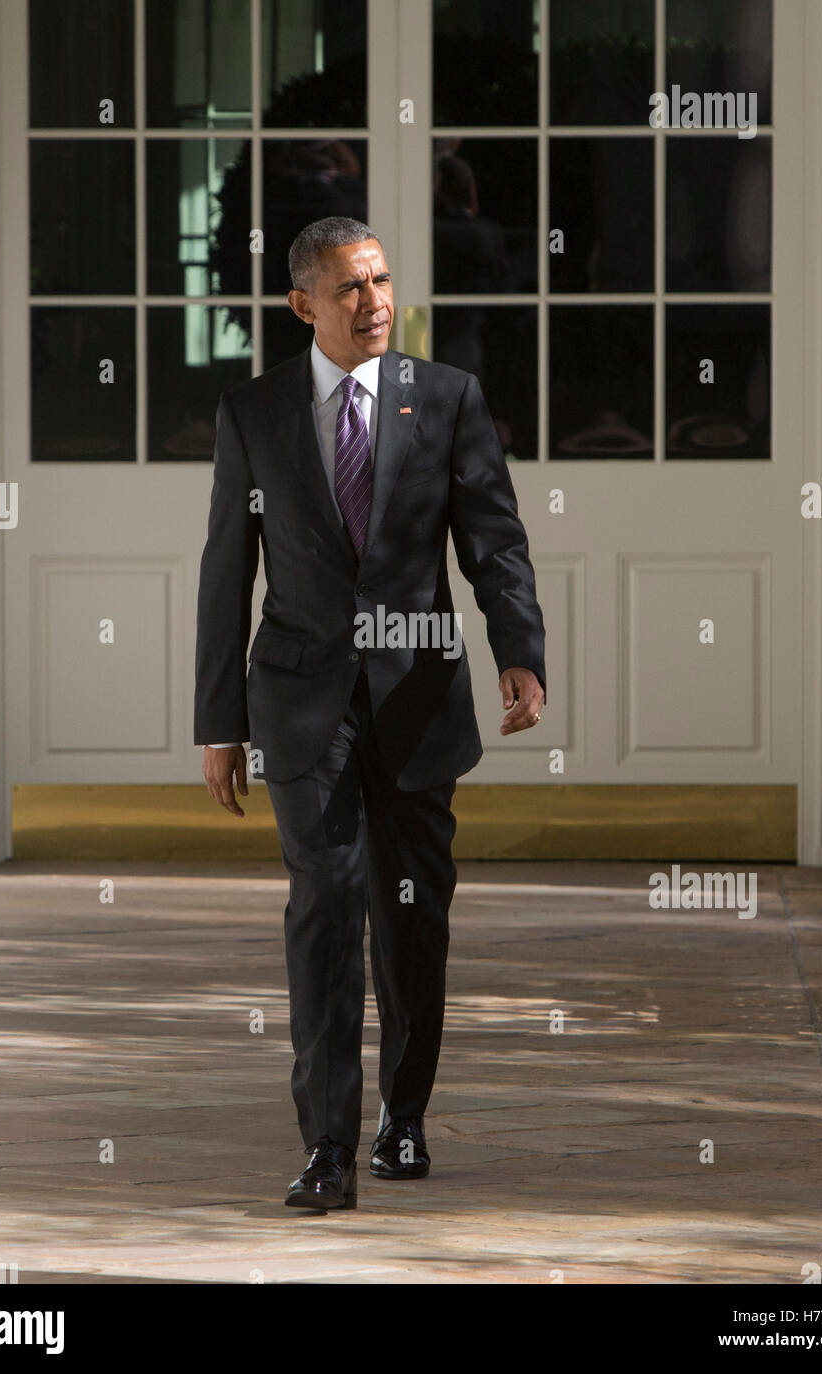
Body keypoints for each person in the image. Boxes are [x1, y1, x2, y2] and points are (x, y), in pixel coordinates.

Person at [194, 217, 546, 1210]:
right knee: (323, 908)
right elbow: (227, 571)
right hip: (302, 699)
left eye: (382, 280)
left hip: (419, 696)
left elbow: (496, 542)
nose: (375, 301)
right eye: (350, 287)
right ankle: (326, 1148)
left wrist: (519, 650)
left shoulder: (445, 399)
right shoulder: (253, 411)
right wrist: (218, 719)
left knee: (411, 918)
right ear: (305, 302)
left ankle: (402, 1117)